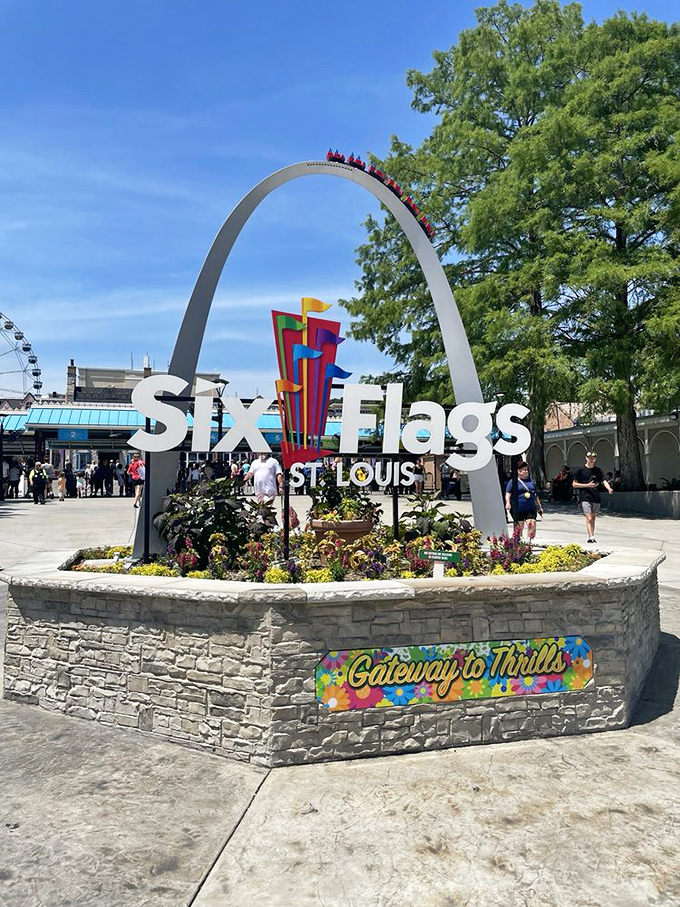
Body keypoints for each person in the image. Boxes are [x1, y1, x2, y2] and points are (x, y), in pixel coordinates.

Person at [572, 451, 613, 544]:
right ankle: (590, 537)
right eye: (590, 457)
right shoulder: (580, 470)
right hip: (585, 496)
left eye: (593, 457)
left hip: (596, 496)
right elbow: (574, 484)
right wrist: (587, 485)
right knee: (589, 517)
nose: (591, 459)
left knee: (593, 518)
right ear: (586, 458)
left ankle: (592, 535)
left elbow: (604, 480)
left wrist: (609, 488)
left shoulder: (598, 470)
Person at [505, 460, 543, 540]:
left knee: (532, 525)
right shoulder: (513, 482)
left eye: (526, 470)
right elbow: (508, 493)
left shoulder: (531, 482)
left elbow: (535, 495)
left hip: (530, 508)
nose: (526, 471)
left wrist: (539, 507)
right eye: (523, 470)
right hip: (518, 508)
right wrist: (508, 503)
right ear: (518, 472)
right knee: (519, 527)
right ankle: (517, 543)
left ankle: (529, 543)